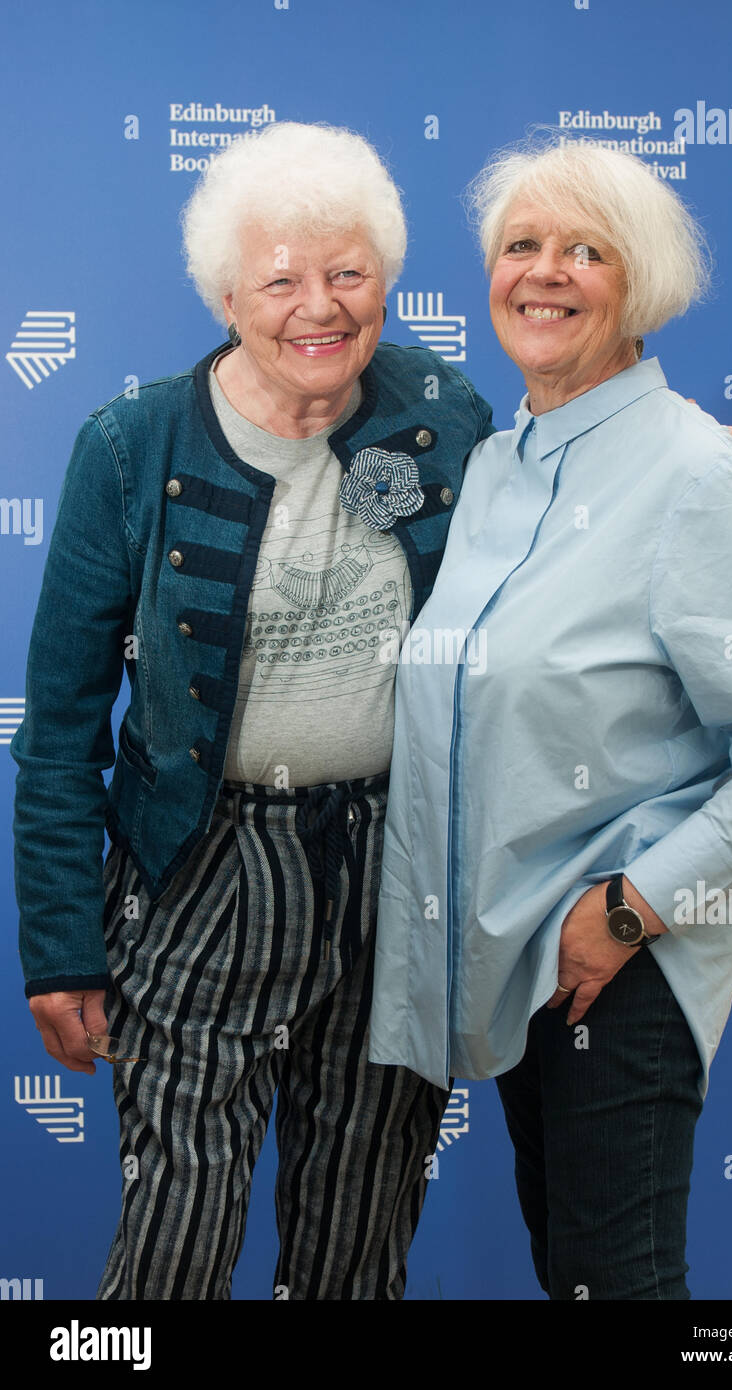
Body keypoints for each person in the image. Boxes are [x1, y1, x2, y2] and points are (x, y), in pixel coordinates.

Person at [368, 135, 732, 1300]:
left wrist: (629, 911)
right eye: (520, 246)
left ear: (635, 284)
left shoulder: (694, 474)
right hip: (512, 955)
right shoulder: (496, 462)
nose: (544, 272)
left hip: (618, 962)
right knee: (576, 1278)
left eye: (584, 251)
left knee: (617, 1285)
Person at [11, 121, 494, 1300]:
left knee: (357, 1235)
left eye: (347, 273)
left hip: (394, 863)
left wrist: (658, 475)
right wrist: (61, 942)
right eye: (280, 280)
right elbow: (63, 723)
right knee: (174, 1243)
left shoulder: (446, 412)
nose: (317, 307)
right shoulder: (132, 448)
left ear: (385, 278)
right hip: (201, 870)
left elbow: (551, 545)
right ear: (228, 294)